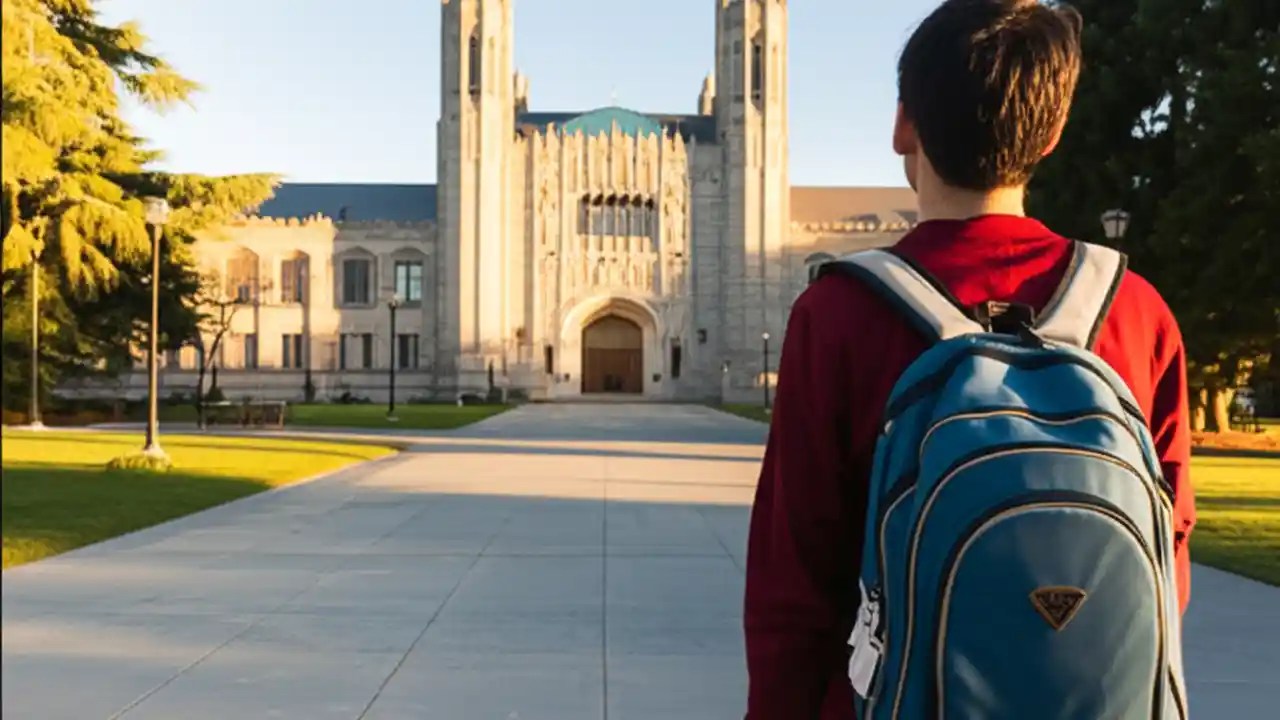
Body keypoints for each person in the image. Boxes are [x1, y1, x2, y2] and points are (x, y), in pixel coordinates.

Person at [742, 1, 1197, 717]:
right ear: (1052, 136)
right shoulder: (1137, 312)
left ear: (903, 126)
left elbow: (791, 585)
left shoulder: (838, 317)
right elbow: (1166, 563)